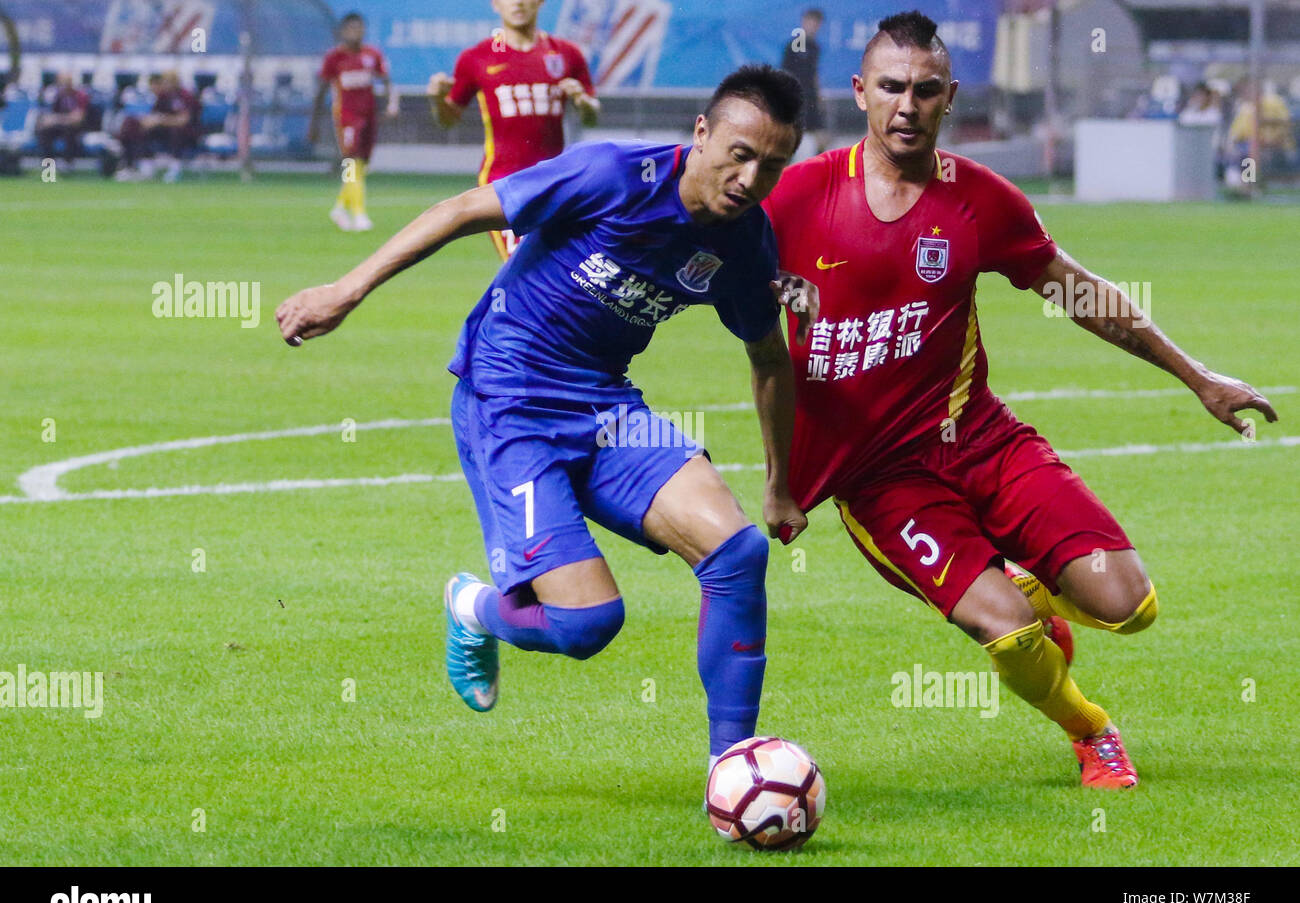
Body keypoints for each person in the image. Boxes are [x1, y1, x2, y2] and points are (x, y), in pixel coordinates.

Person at [760, 11, 1278, 789]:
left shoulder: (981, 202)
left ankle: (1033, 587)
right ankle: (1091, 731)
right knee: (1008, 632)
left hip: (983, 442)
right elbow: (709, 256)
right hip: (880, 483)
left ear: (950, 97)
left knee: (1129, 607)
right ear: (860, 91)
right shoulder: (797, 197)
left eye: (925, 91)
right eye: (892, 88)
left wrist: (1197, 375)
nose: (907, 106)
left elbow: (1081, 292)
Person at [276, 66, 815, 773]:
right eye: (740, 154)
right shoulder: (614, 175)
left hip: (606, 403)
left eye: (771, 167)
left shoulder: (746, 243)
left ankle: (732, 769)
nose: (750, 178)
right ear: (702, 134)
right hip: (509, 400)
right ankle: (473, 608)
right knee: (589, 624)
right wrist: (346, 291)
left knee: (737, 554)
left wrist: (780, 483)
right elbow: (467, 208)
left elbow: (770, 360)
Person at [428, 0, 599, 260]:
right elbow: (448, 120)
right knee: (525, 267)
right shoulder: (477, 57)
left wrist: (583, 102)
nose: (518, 3)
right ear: (495, 4)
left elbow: (591, 117)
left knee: (566, 271)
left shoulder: (566, 54)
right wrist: (437, 100)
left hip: (556, 182)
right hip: (503, 183)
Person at [312, 11, 398, 232]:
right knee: (351, 163)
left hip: (369, 117)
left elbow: (386, 81)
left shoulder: (372, 55)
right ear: (342, 32)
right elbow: (321, 90)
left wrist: (391, 104)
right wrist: (314, 122)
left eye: (359, 28)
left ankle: (340, 207)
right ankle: (359, 214)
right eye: (351, 28)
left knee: (362, 166)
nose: (356, 33)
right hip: (346, 118)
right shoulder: (335, 58)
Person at [114, 71, 198, 182]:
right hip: (164, 129)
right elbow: (155, 114)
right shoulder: (163, 96)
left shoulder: (185, 96)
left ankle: (175, 168)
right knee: (135, 126)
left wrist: (161, 120)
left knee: (176, 131)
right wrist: (148, 121)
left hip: (188, 132)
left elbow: (183, 120)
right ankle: (135, 166)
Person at [781, 8, 831, 156]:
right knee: (792, 135)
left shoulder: (815, 47)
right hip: (796, 97)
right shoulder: (794, 44)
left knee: (821, 136)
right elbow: (785, 72)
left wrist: (819, 96)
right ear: (803, 22)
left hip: (811, 98)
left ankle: (817, 168)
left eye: (816, 23)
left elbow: (814, 73)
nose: (813, 26)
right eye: (810, 22)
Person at [36, 72, 89, 167]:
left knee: (69, 130)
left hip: (78, 127)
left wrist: (59, 119)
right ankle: (49, 164)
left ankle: (68, 163)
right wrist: (60, 119)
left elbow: (78, 118)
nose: (64, 86)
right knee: (44, 131)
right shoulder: (59, 96)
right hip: (61, 125)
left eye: (66, 83)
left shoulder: (81, 96)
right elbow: (52, 115)